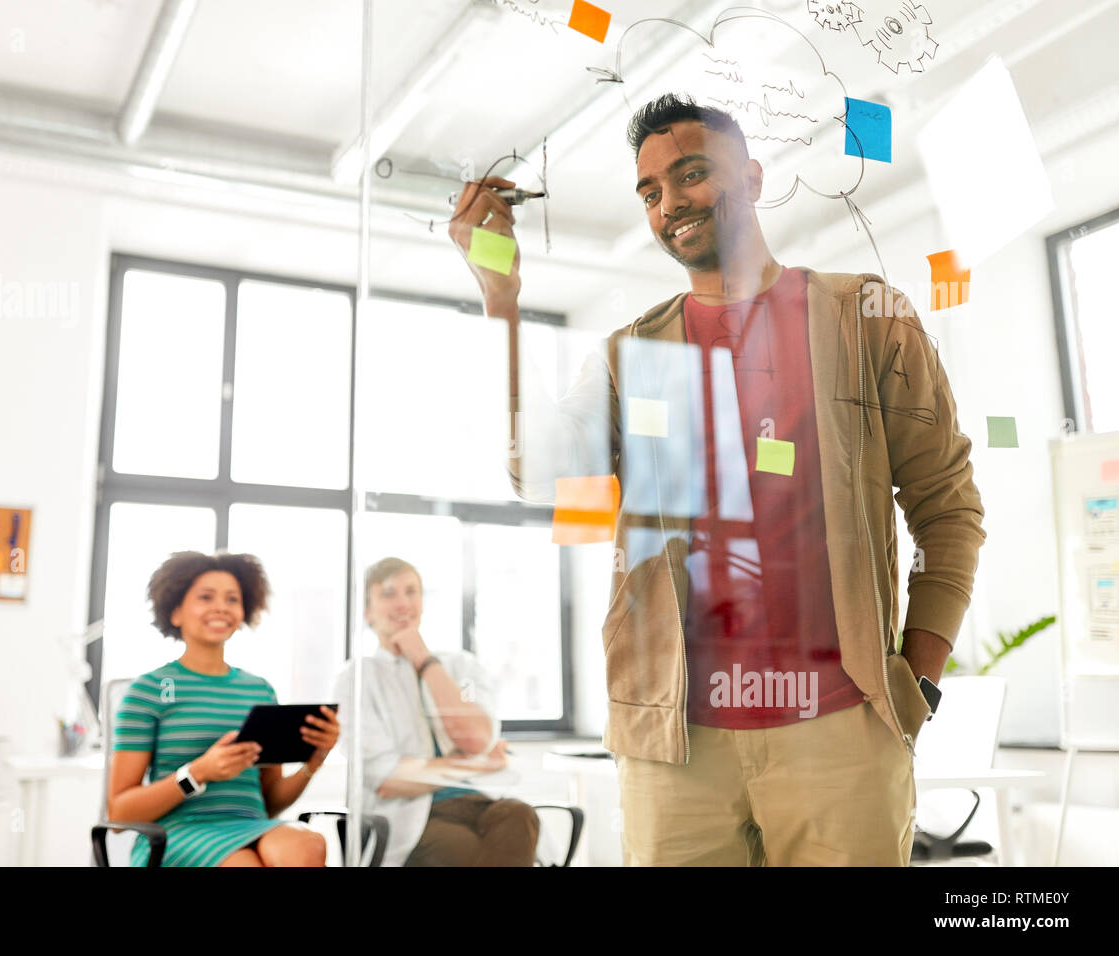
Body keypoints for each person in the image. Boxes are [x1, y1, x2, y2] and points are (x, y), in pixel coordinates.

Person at [448, 93, 986, 866]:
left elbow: (948, 510)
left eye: (691, 174)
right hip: (676, 748)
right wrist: (501, 295)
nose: (670, 203)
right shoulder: (630, 354)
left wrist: (918, 686)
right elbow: (535, 472)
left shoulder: (865, 316)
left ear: (753, 177)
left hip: (840, 730)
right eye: (650, 192)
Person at [109, 550, 339, 867]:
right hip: (178, 832)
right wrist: (199, 772)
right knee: (243, 864)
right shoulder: (147, 691)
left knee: (307, 844)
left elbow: (270, 802)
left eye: (232, 599)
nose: (221, 607)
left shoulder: (260, 690)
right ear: (175, 612)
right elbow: (120, 814)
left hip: (251, 824)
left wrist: (314, 761)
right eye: (206, 597)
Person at [332, 557, 539, 866]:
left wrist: (424, 660)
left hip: (477, 802)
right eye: (388, 594)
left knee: (520, 816)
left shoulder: (461, 665)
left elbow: (476, 739)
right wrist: (477, 765)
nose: (403, 602)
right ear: (367, 611)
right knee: (465, 848)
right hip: (408, 814)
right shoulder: (356, 678)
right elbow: (387, 779)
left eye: (411, 591)